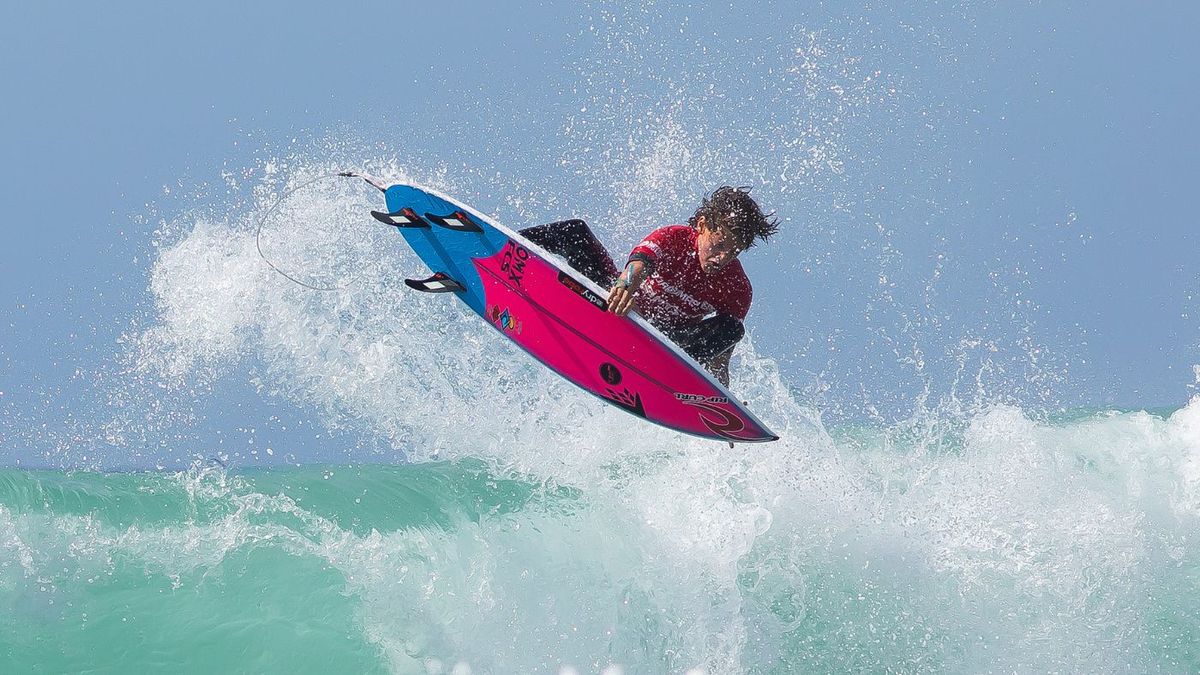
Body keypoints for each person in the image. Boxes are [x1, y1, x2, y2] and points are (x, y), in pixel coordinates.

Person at [519, 186, 778, 386]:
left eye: (733, 252)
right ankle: (502, 248)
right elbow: (640, 262)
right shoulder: (675, 238)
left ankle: (668, 373)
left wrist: (721, 401)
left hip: (664, 345)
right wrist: (624, 288)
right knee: (575, 232)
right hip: (616, 305)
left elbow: (720, 356)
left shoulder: (736, 287)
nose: (722, 258)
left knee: (733, 329)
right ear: (702, 226)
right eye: (719, 245)